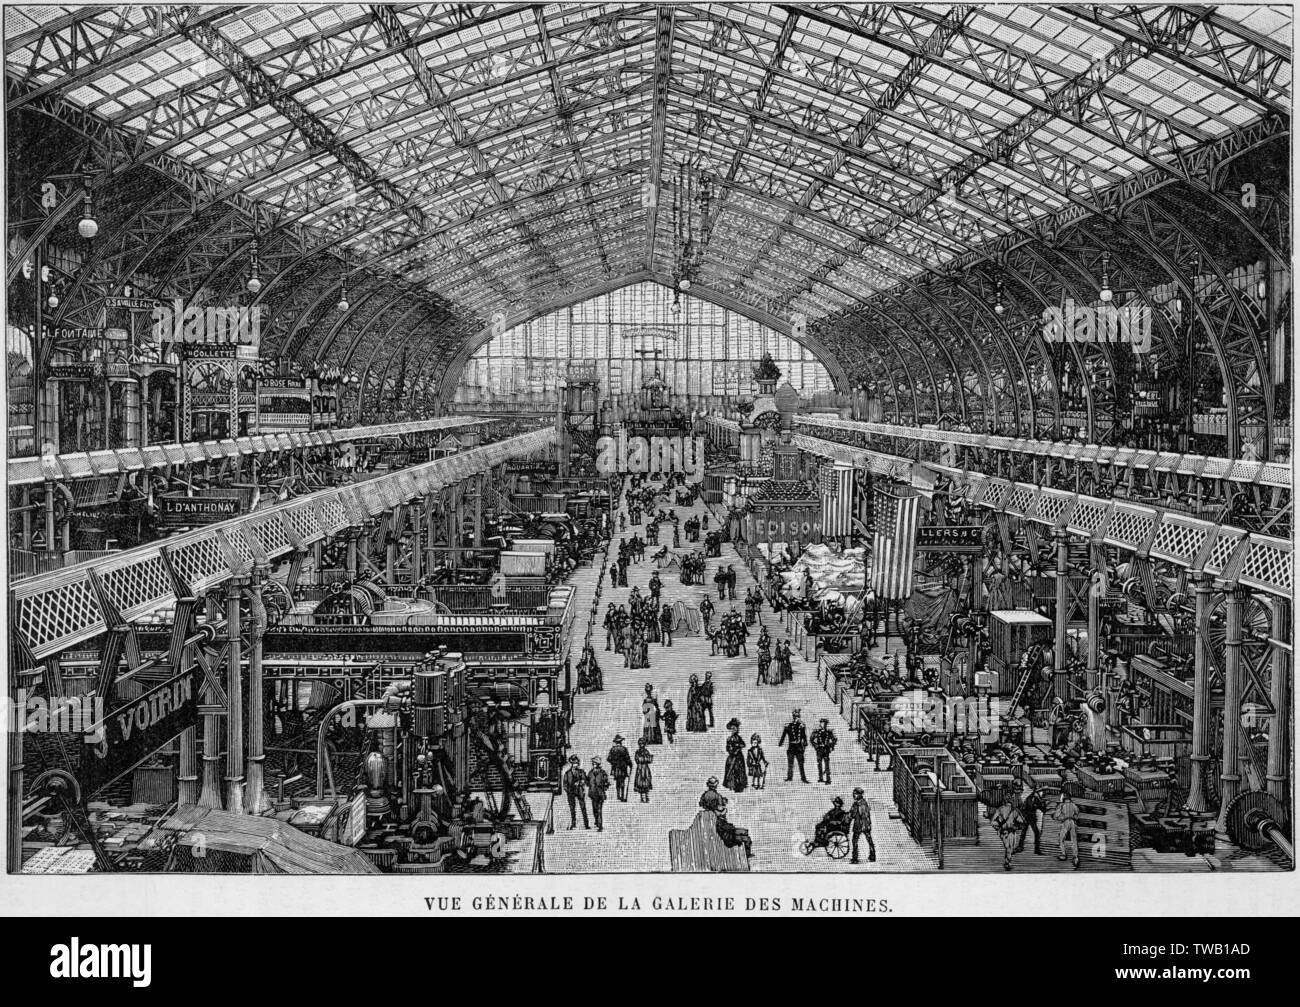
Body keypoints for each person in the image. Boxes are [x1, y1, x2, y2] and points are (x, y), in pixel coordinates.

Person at [779, 708, 809, 783]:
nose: (797, 718)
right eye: (796, 717)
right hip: (791, 746)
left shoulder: (801, 726)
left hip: (799, 747)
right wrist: (780, 743)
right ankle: (789, 777)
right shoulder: (788, 726)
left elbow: (804, 736)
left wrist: (805, 742)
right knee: (790, 763)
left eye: (798, 717)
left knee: (801, 763)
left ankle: (803, 778)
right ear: (793, 717)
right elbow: (783, 735)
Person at [1053, 789, 1081, 868]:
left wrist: (1058, 818)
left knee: (1061, 839)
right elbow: (1077, 813)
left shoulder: (1061, 805)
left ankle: (1063, 854)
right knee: (1074, 840)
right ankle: (1075, 857)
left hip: (1065, 822)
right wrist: (1074, 817)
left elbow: (1056, 815)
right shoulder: (1073, 805)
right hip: (1072, 822)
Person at [849, 787, 876, 863]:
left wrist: (849, 816)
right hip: (866, 825)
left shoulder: (856, 804)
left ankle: (855, 858)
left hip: (859, 825)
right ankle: (872, 855)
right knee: (869, 840)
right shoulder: (864, 803)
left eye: (855, 794)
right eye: (854, 794)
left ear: (859, 795)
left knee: (855, 841)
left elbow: (853, 814)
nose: (854, 795)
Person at [563, 755, 590, 830]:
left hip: (579, 791)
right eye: (574, 763)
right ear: (571, 764)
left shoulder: (581, 772)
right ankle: (573, 823)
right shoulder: (567, 773)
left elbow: (585, 780)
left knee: (583, 807)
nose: (575, 765)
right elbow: (565, 784)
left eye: (576, 763)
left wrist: (581, 782)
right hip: (571, 792)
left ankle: (586, 824)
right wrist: (568, 790)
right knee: (572, 809)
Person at [811, 717, 838, 785]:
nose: (823, 725)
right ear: (820, 724)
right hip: (819, 750)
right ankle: (820, 778)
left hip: (826, 750)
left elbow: (834, 739)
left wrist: (831, 745)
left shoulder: (829, 732)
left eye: (824, 724)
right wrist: (816, 746)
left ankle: (828, 779)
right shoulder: (817, 732)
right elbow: (811, 739)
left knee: (827, 765)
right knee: (819, 764)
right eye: (822, 723)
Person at [723, 718, 747, 792]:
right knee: (731, 770)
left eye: (735, 728)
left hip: (739, 758)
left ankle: (739, 785)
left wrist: (738, 746)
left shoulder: (738, 737)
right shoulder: (729, 739)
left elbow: (743, 744)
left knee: (739, 770)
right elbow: (728, 748)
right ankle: (732, 785)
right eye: (732, 729)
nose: (734, 730)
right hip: (732, 757)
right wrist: (733, 751)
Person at [588, 757, 610, 832]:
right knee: (595, 809)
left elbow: (606, 782)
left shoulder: (602, 772)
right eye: (593, 764)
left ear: (598, 764)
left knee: (599, 809)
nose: (594, 765)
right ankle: (597, 821)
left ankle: (600, 825)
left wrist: (604, 787)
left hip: (600, 794)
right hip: (593, 794)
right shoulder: (590, 773)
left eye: (595, 764)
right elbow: (588, 782)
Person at [607, 735, 632, 801]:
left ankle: (618, 796)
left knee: (617, 781)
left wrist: (613, 762)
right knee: (622, 781)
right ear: (621, 742)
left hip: (616, 768)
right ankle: (622, 796)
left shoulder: (612, 749)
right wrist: (630, 764)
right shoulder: (624, 749)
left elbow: (609, 759)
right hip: (623, 767)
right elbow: (627, 759)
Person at [633, 738, 654, 802]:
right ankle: (642, 797)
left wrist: (644, 759)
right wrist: (645, 759)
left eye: (643, 744)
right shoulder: (638, 752)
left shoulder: (646, 751)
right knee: (640, 782)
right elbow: (637, 760)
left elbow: (649, 760)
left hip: (645, 769)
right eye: (640, 744)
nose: (642, 745)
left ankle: (647, 797)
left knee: (646, 781)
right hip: (640, 768)